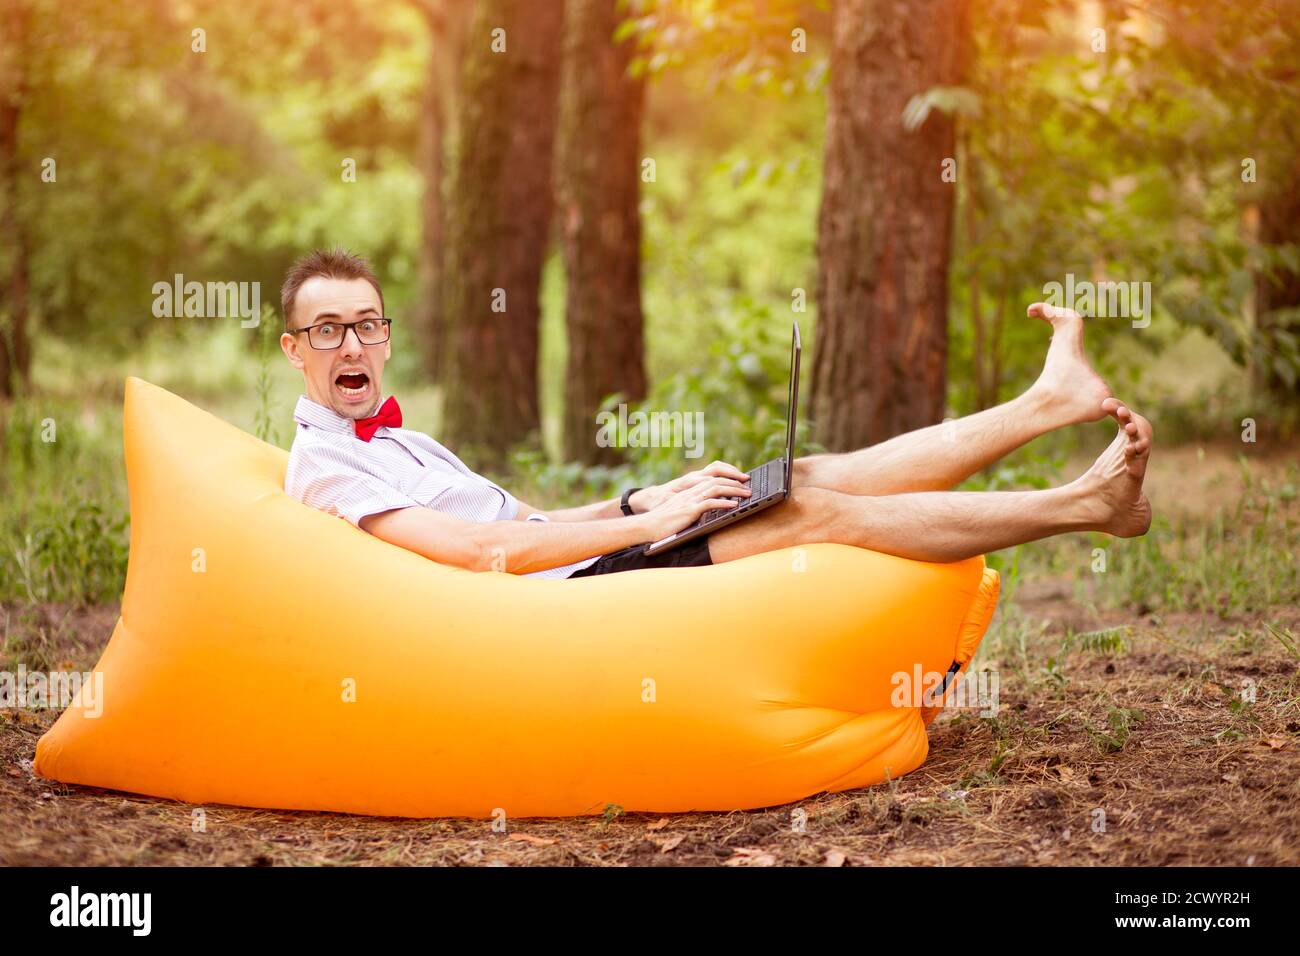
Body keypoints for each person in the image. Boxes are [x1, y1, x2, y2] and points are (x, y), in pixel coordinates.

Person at [280, 248, 1152, 578]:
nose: (350, 345)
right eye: (327, 330)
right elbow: (486, 553)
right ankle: (1086, 507)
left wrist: (647, 500)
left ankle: (1048, 402)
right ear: (294, 348)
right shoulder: (327, 463)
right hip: (557, 605)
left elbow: (525, 518)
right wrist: (640, 533)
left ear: (386, 337)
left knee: (793, 476)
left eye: (365, 324)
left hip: (581, 561)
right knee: (812, 511)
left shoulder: (398, 436)